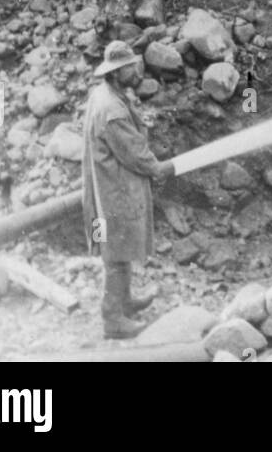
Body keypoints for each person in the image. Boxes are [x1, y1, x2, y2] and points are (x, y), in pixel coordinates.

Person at [82, 41, 176, 339]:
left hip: (109, 184)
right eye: (128, 68)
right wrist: (158, 168)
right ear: (115, 72)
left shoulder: (105, 94)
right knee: (116, 252)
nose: (135, 71)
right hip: (115, 188)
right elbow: (133, 152)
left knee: (118, 247)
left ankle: (124, 301)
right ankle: (113, 319)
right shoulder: (111, 109)